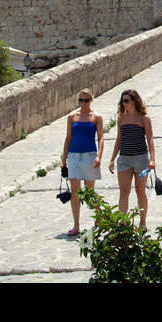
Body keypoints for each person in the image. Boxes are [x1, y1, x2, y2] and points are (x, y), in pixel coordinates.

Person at [108, 88, 155, 228]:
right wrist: (112, 159)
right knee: (123, 191)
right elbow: (118, 140)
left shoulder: (144, 118)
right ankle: (122, 223)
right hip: (124, 159)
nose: (124, 104)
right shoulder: (121, 118)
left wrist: (152, 159)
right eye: (122, 101)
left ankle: (142, 222)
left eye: (126, 101)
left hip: (140, 159)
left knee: (140, 191)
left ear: (135, 101)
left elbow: (150, 139)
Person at [60, 88, 103, 236]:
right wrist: (63, 159)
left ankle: (98, 215)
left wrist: (99, 156)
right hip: (73, 155)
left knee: (89, 190)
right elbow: (68, 138)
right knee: (75, 191)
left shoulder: (96, 117)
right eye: (80, 100)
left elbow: (101, 138)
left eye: (86, 100)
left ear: (91, 100)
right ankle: (76, 225)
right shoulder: (72, 117)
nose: (83, 103)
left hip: (89, 155)